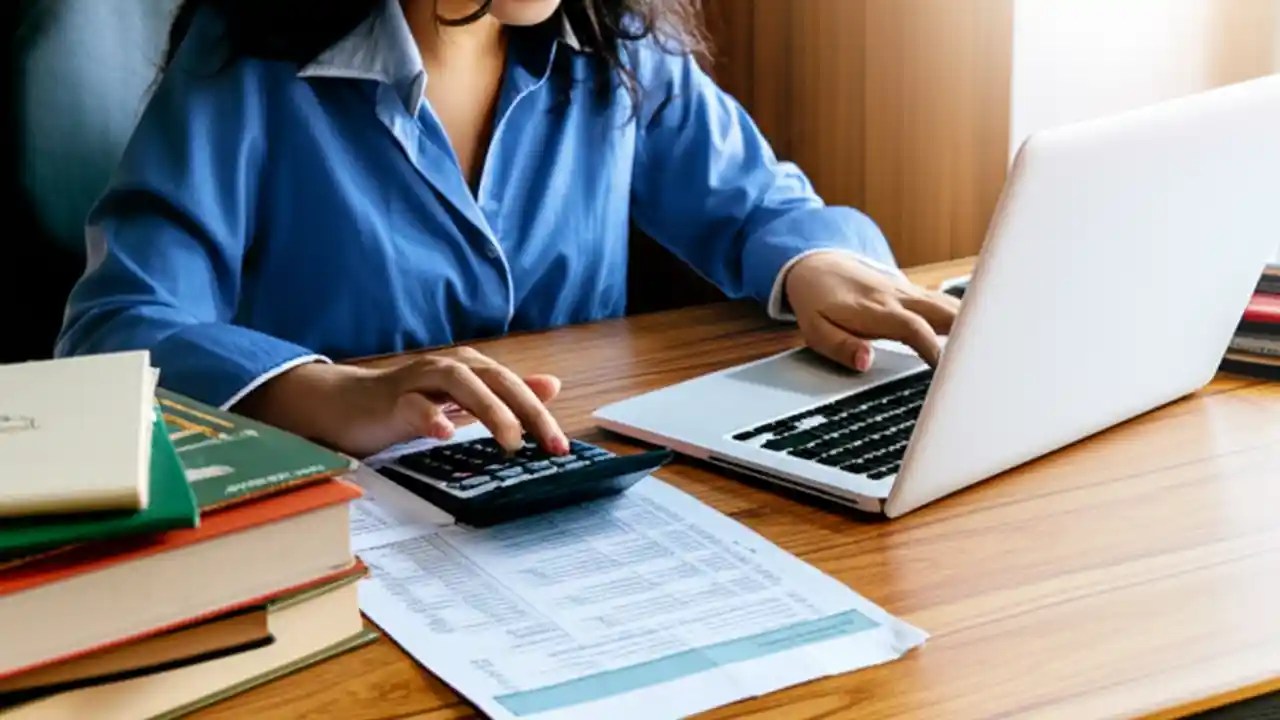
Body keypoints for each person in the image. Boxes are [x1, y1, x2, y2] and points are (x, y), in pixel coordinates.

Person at [55, 0, 960, 458]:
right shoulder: (244, 65)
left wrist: (818, 263)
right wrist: (334, 395)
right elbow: (114, 334)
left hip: (572, 501)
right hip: (341, 526)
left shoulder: (617, 41)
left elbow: (761, 201)